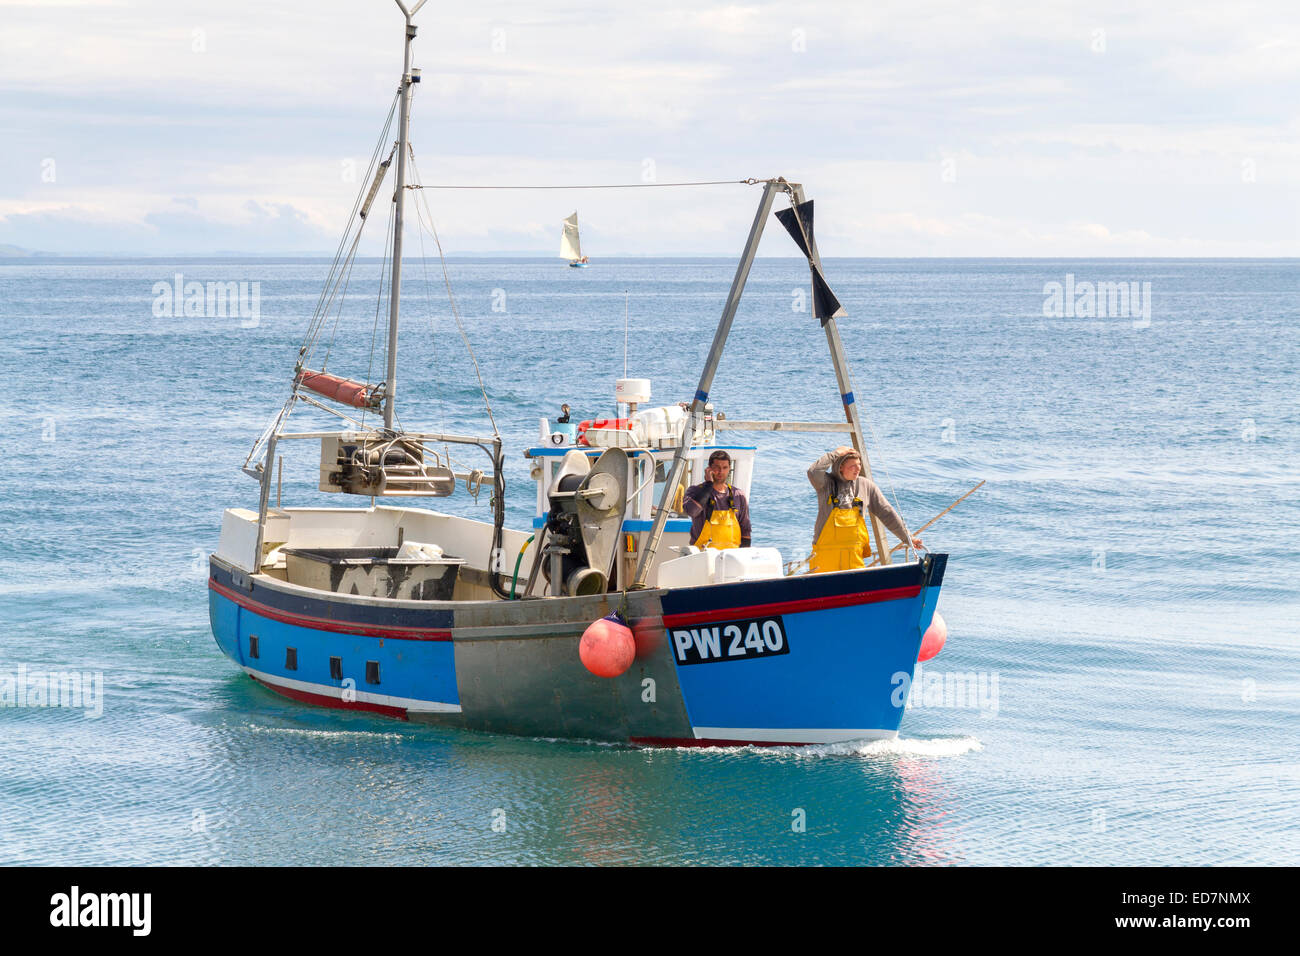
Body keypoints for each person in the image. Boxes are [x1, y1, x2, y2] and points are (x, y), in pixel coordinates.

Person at [807, 446, 922, 573]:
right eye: (853, 466)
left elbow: (887, 513)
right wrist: (836, 453)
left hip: (854, 559)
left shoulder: (866, 486)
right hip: (825, 558)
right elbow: (813, 471)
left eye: (859, 464)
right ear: (840, 467)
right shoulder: (825, 484)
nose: (858, 469)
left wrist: (908, 538)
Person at [682, 450, 751, 550]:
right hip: (703, 556)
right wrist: (709, 484)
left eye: (725, 468)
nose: (721, 472)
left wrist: (744, 554)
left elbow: (745, 529)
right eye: (717, 467)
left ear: (729, 469)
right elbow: (692, 511)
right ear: (709, 469)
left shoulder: (739, 495)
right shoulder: (695, 491)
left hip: (731, 557)